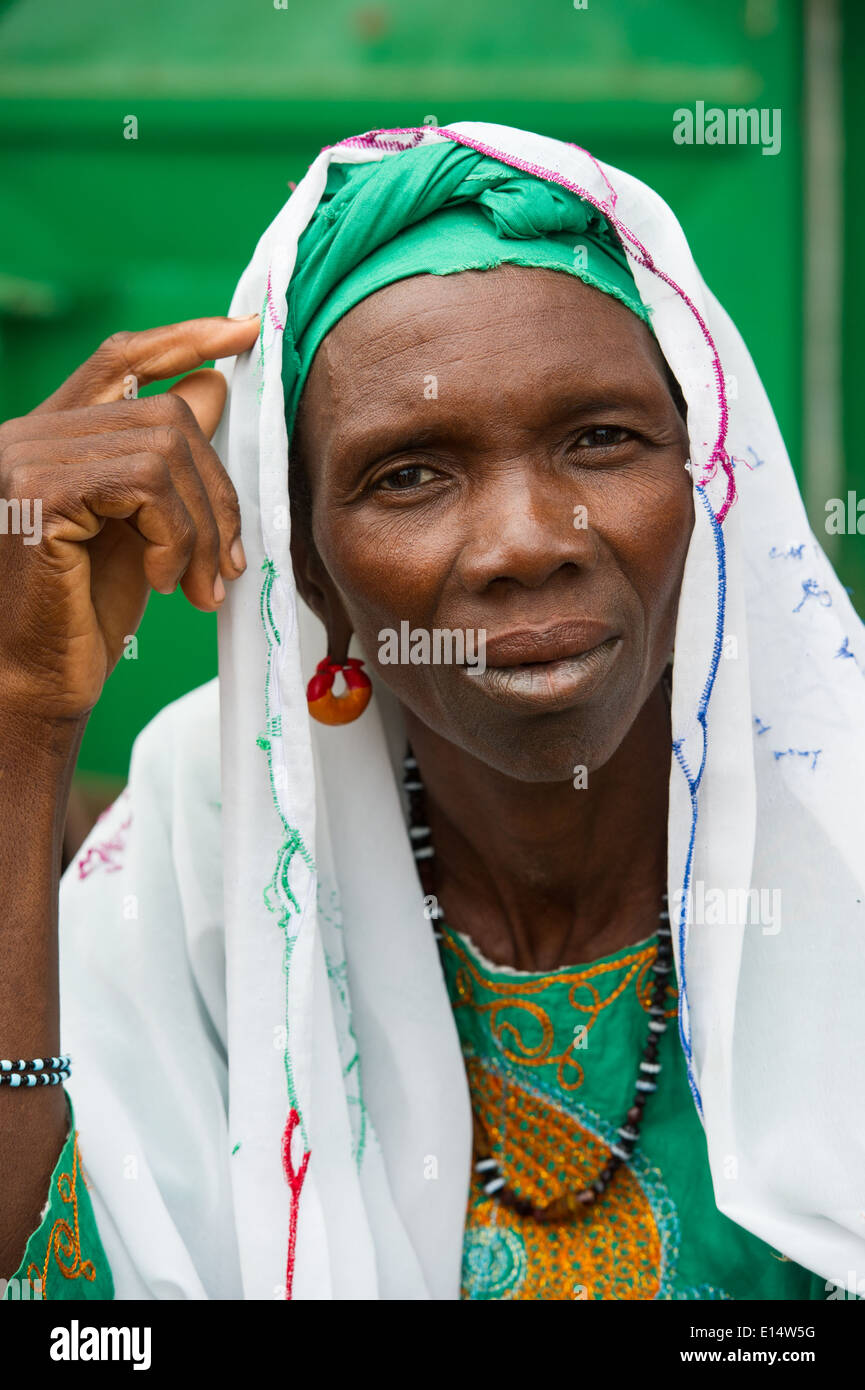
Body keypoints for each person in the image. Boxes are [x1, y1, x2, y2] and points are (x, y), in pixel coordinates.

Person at [1, 122, 862, 1302]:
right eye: (408, 473)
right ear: (309, 572)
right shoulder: (207, 834)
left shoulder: (838, 819)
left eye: (601, 439)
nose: (523, 543)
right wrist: (22, 718)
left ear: (708, 481)